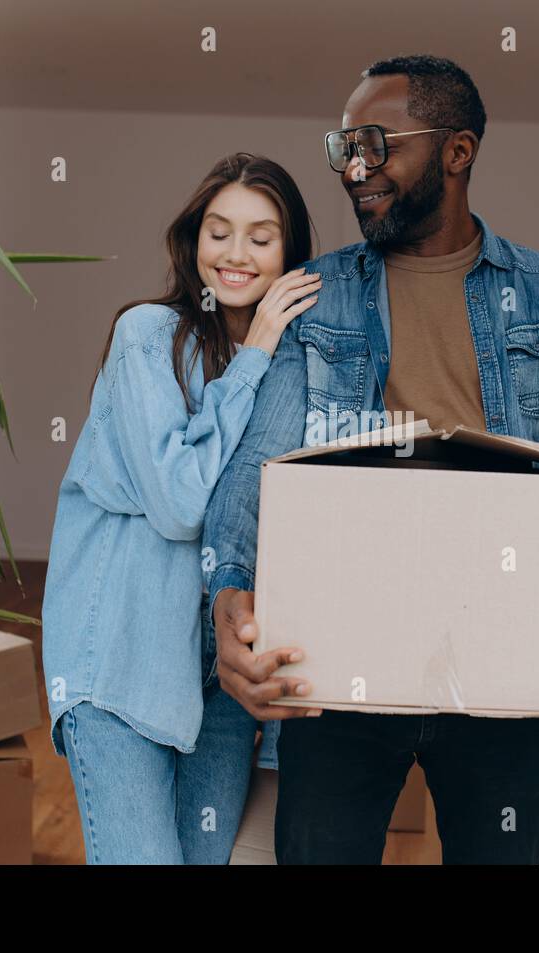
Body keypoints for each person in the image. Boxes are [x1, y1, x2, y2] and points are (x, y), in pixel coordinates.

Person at [203, 56, 539, 864]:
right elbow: (261, 461)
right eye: (344, 148)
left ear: (457, 152)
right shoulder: (316, 292)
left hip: (504, 658)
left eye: (376, 145)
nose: (355, 169)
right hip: (336, 655)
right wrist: (229, 601)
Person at [41, 153, 321, 863]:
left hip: (219, 685)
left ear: (289, 254)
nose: (234, 255)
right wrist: (256, 347)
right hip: (121, 665)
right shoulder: (148, 337)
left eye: (261, 238)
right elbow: (179, 502)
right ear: (193, 239)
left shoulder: (295, 367)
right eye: (218, 232)